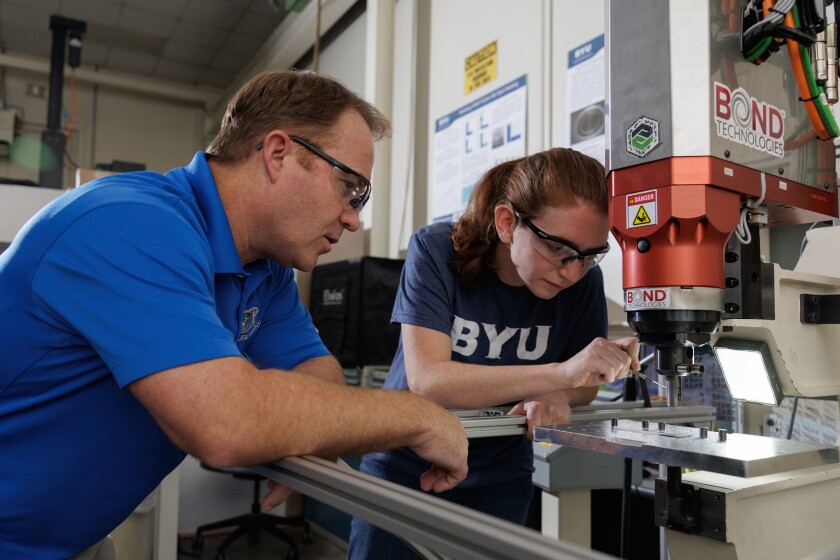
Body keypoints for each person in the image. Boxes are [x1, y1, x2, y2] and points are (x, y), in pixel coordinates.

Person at [0, 70, 468, 559]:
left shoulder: (266, 272)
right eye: (349, 188)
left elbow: (319, 375)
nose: (353, 217)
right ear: (278, 153)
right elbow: (225, 425)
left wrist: (292, 426)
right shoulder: (132, 223)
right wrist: (419, 417)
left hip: (70, 540)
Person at [348, 147, 640, 559]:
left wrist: (559, 392)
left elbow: (583, 385)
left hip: (498, 477)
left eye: (590, 256)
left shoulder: (581, 283)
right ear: (507, 223)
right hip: (407, 467)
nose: (573, 272)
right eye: (559, 250)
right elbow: (431, 381)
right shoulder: (436, 251)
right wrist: (558, 377)